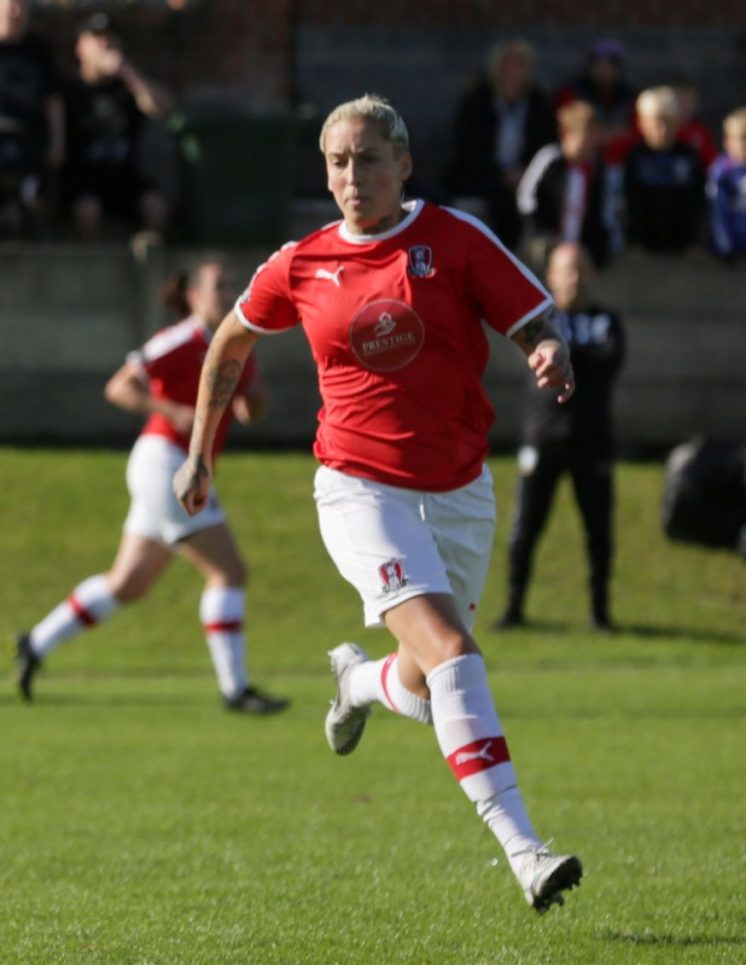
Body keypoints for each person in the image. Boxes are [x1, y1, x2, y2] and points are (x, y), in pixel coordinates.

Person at [174, 94, 582, 914]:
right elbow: (230, 339)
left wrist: (547, 352)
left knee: (432, 684)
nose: (351, 176)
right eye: (336, 161)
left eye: (366, 159)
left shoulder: (455, 241)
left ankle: (359, 685)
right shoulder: (302, 262)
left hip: (459, 489)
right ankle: (526, 852)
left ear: (404, 164)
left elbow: (536, 316)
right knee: (454, 649)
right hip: (358, 487)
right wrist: (199, 452)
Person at [15, 257, 289, 716]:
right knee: (228, 572)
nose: (227, 294)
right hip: (167, 462)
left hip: (176, 467)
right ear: (194, 296)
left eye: (231, 286)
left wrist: (254, 398)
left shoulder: (237, 342)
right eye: (218, 287)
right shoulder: (183, 338)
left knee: (128, 583)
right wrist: (170, 410)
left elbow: (250, 412)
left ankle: (35, 644)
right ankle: (235, 690)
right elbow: (119, 386)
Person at [495, 242, 625, 632]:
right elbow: (537, 354)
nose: (575, 278)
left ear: (593, 274)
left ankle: (600, 615)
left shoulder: (607, 320)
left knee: (598, 532)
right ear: (550, 275)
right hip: (543, 439)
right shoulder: (539, 320)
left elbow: (608, 363)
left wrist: (562, 356)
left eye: (582, 269)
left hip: (593, 441)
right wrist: (561, 351)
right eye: (567, 269)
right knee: (526, 529)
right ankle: (514, 609)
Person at [63, 11, 173, 241]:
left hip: (124, 175)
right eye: (97, 39)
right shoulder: (70, 89)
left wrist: (128, 73)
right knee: (87, 210)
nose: (105, 45)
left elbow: (162, 109)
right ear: (80, 47)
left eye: (110, 39)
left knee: (156, 206)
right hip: (85, 179)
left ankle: (147, 265)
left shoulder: (128, 87)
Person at [443, 38, 556, 249]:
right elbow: (468, 148)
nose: (512, 72)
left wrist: (526, 171)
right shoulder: (477, 101)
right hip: (485, 175)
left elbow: (546, 145)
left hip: (528, 175)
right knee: (499, 199)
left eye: (519, 64)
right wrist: (501, 174)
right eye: (507, 64)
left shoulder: (539, 104)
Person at [517, 100, 618, 269]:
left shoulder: (596, 168)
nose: (589, 146)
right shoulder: (550, 159)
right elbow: (526, 199)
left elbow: (603, 212)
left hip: (578, 249)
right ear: (566, 134)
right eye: (585, 138)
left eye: (593, 139)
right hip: (546, 242)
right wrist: (543, 233)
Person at [0, 0, 64, 237]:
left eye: (22, 6)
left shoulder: (38, 51)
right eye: (10, 5)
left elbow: (53, 101)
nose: (16, 12)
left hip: (29, 147)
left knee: (31, 204)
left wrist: (57, 144)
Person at [623, 86, 704, 254]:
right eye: (655, 123)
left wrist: (695, 241)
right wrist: (634, 241)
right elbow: (630, 201)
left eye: (668, 122)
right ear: (641, 123)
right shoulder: (634, 157)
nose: (662, 130)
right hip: (643, 247)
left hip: (681, 248)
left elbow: (697, 200)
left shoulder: (688, 156)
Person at [554, 38, 637, 157]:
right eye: (598, 64)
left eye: (611, 64)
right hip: (580, 158)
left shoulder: (630, 97)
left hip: (620, 160)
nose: (604, 70)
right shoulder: (572, 93)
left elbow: (637, 133)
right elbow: (564, 128)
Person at [706, 107, 746, 261]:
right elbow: (718, 212)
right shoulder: (722, 172)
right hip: (733, 244)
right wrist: (725, 247)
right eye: (740, 138)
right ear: (727, 141)